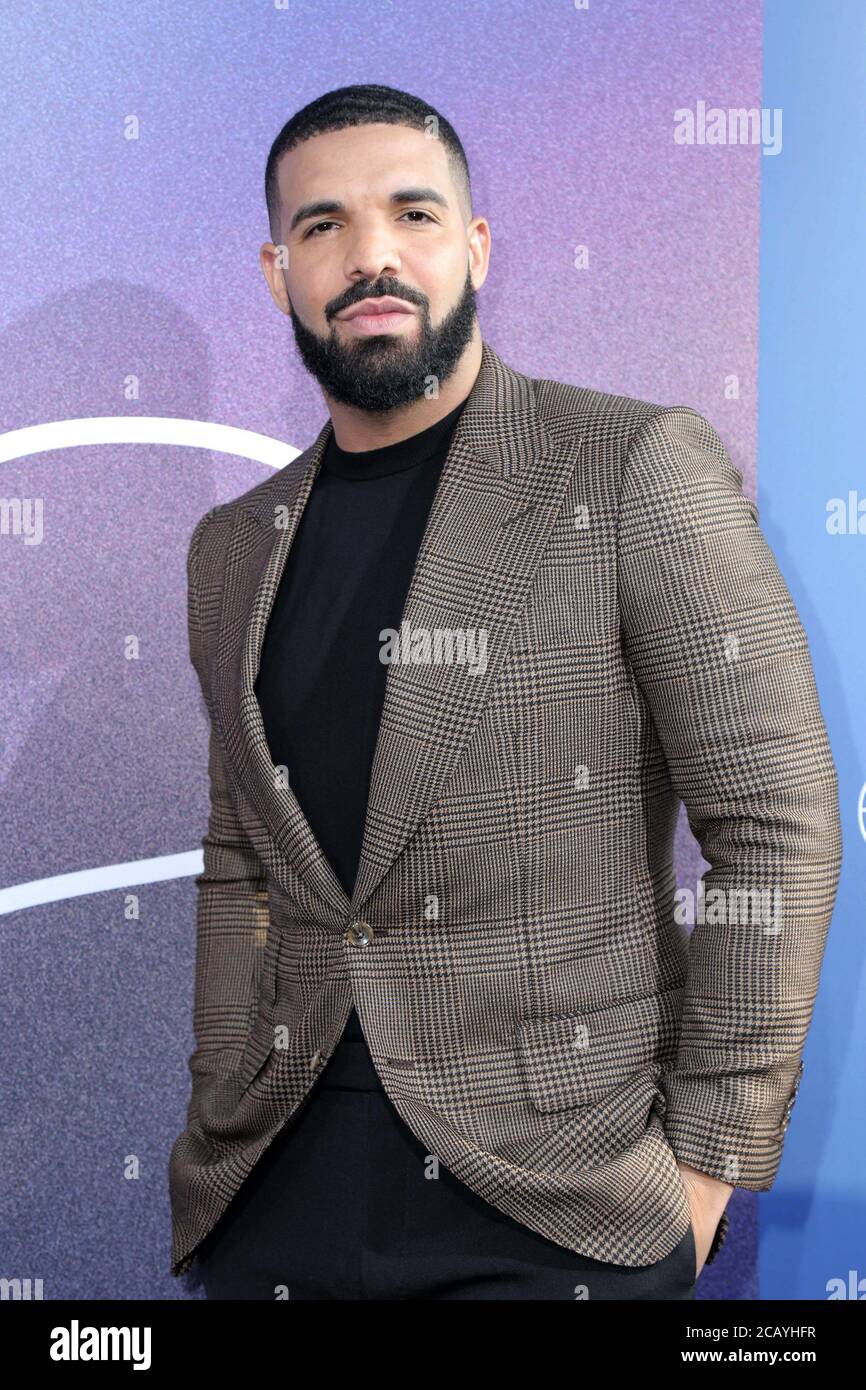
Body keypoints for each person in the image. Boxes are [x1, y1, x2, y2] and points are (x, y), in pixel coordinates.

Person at [168, 84, 842, 1300]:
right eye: (322, 226)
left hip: (556, 1207)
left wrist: (702, 1176)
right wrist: (223, 1091)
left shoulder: (632, 466)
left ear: (473, 247)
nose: (369, 253)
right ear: (277, 272)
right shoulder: (232, 546)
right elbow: (240, 862)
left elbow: (774, 827)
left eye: (410, 211)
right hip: (276, 1197)